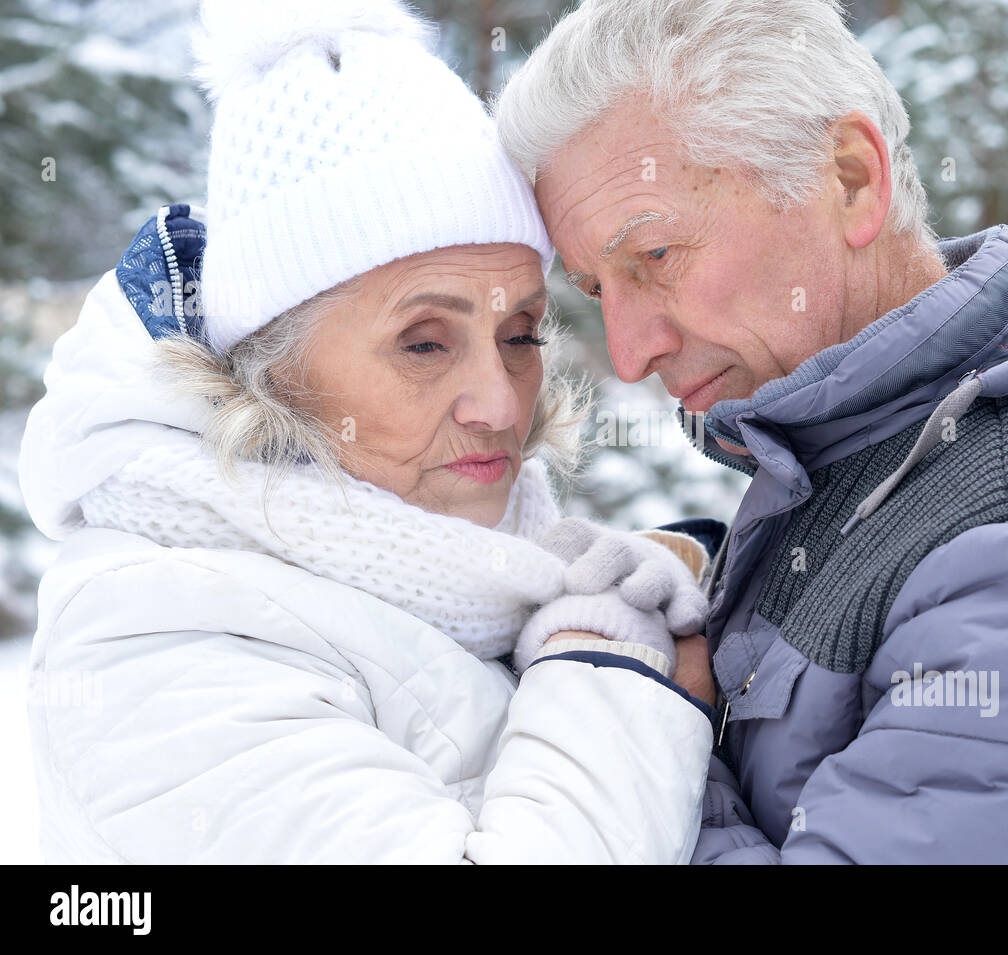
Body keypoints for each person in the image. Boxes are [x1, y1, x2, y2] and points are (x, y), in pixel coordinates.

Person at [494, 0, 1008, 863]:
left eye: (654, 256)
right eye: (594, 288)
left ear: (849, 178)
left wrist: (648, 715)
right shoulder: (881, 445)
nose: (628, 353)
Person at [17, 0, 716, 864]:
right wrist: (608, 672)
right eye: (425, 342)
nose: (500, 403)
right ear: (269, 367)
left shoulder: (483, 562)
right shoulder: (154, 639)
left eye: (521, 334)